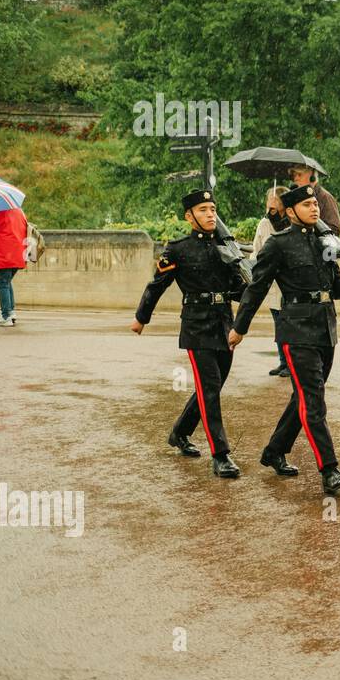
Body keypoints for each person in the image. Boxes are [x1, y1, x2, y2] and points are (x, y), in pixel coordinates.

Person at [229, 184, 340, 493]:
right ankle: (329, 469)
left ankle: (275, 450)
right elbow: (257, 287)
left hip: (325, 329)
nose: (314, 208)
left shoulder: (325, 242)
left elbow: (332, 286)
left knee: (303, 398)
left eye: (315, 203)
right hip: (296, 330)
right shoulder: (278, 244)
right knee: (314, 401)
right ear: (291, 212)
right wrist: (240, 327)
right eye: (306, 205)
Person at [130, 189, 246, 478]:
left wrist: (250, 284)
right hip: (196, 327)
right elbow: (157, 285)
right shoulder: (178, 249)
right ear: (189, 216)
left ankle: (180, 432)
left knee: (213, 387)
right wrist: (141, 317)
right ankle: (221, 456)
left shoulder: (227, 247)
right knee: (210, 389)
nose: (210, 214)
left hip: (224, 324)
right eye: (204, 210)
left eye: (212, 209)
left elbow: (239, 288)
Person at [252, 186, 291, 377]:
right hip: (272, 283)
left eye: (275, 199)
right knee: (278, 323)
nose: (271, 203)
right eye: (269, 199)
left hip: (289, 283)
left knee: (288, 324)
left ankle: (291, 363)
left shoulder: (292, 222)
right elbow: (256, 249)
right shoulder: (264, 224)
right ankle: (283, 362)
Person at [0, 205, 29, 327]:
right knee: (6, 282)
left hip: (3, 255)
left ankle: (6, 316)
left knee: (2, 284)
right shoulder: (19, 212)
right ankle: (11, 313)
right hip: (18, 254)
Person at [286, 165, 340, 235]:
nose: (295, 178)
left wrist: (310, 232)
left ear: (312, 176)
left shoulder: (325, 197)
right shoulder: (296, 199)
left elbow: (335, 229)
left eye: (299, 175)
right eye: (294, 176)